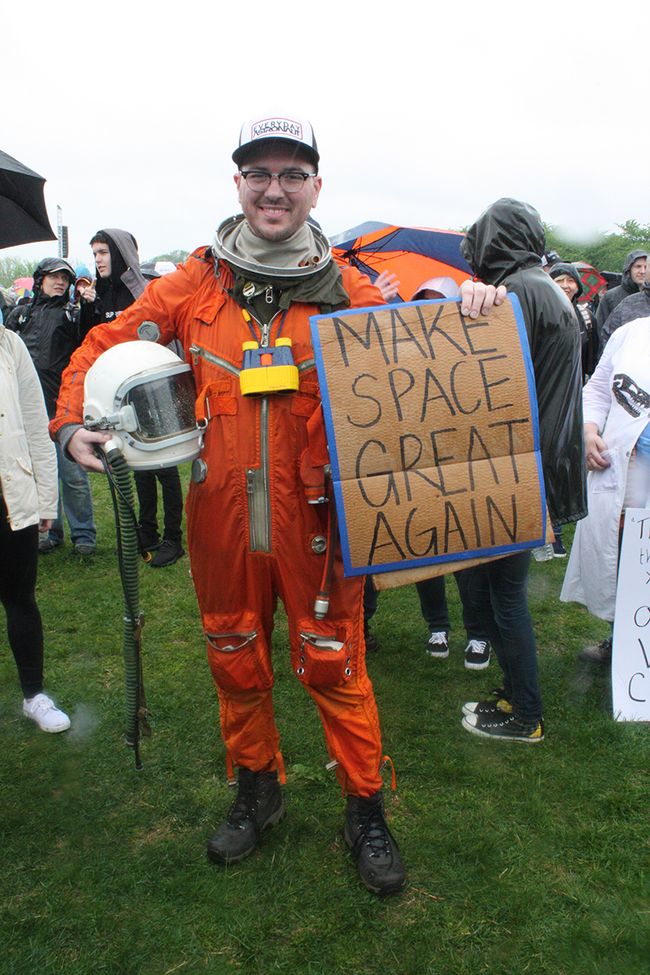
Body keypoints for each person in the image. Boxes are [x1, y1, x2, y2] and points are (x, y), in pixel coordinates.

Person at [52, 114, 503, 894]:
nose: (274, 188)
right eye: (259, 173)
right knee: (233, 656)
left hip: (320, 523)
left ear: (315, 188)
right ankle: (258, 787)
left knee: (336, 663)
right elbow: (104, 343)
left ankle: (364, 806)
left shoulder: (352, 290)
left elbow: (423, 347)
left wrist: (471, 305)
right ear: (238, 184)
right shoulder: (194, 282)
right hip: (221, 521)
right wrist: (67, 424)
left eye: (292, 174)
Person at [458, 199, 587, 743]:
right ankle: (513, 694)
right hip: (539, 460)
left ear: (495, 239)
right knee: (497, 590)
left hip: (521, 467)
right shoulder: (541, 285)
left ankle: (526, 716)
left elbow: (486, 380)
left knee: (505, 594)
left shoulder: (522, 292)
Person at [79, 229, 184, 568]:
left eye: (104, 253)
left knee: (164, 465)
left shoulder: (142, 292)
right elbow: (91, 344)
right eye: (94, 253)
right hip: (120, 393)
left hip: (152, 389)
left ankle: (173, 538)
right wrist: (88, 309)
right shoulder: (101, 295)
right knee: (137, 462)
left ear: (120, 255)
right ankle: (148, 530)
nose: (98, 260)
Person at [561, 313, 650, 664]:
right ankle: (627, 646)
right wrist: (588, 429)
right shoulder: (633, 333)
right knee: (630, 557)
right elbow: (598, 388)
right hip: (627, 474)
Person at [0, 320, 70, 732]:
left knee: (20, 598)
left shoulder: (8, 343)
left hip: (11, 497)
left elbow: (34, 421)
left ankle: (34, 696)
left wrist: (46, 497)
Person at [5, 258, 97, 556]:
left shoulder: (73, 314)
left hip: (63, 406)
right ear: (40, 279)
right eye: (54, 277)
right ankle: (51, 531)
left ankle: (83, 534)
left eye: (65, 279)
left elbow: (92, 339)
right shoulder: (19, 314)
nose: (60, 282)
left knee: (72, 474)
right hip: (28, 407)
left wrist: (91, 307)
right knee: (38, 471)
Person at [599, 255, 650, 348]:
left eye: (646, 267)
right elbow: (603, 336)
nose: (642, 271)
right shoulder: (613, 297)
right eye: (638, 266)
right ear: (628, 269)